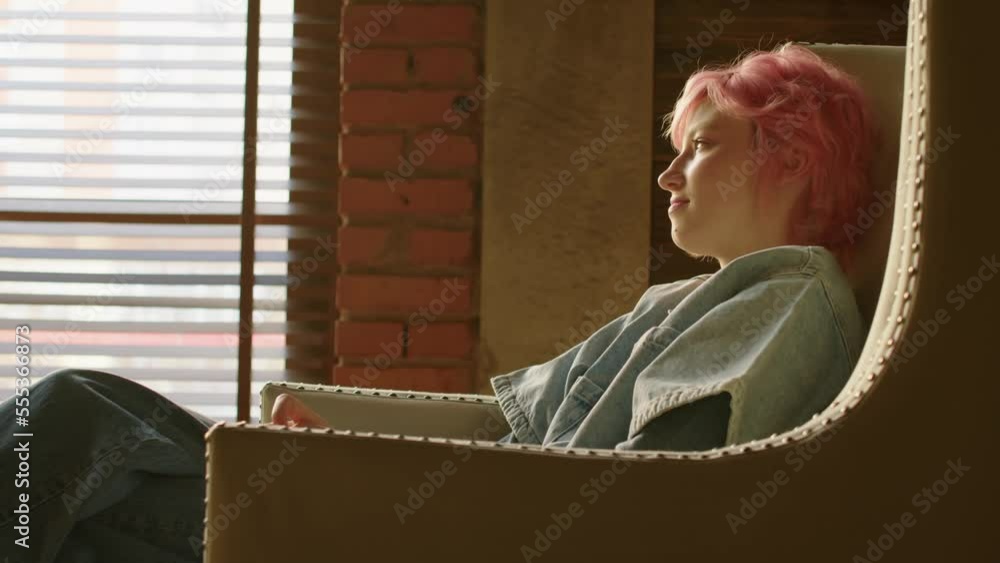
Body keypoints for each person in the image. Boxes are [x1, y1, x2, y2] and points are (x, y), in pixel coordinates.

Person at [0, 41, 878, 561]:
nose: (666, 173)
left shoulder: (789, 298)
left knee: (70, 423)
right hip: (430, 514)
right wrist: (351, 448)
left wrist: (370, 482)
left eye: (701, 146)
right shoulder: (683, 301)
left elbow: (644, 496)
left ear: (793, 156)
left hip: (450, 538)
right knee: (82, 472)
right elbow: (512, 432)